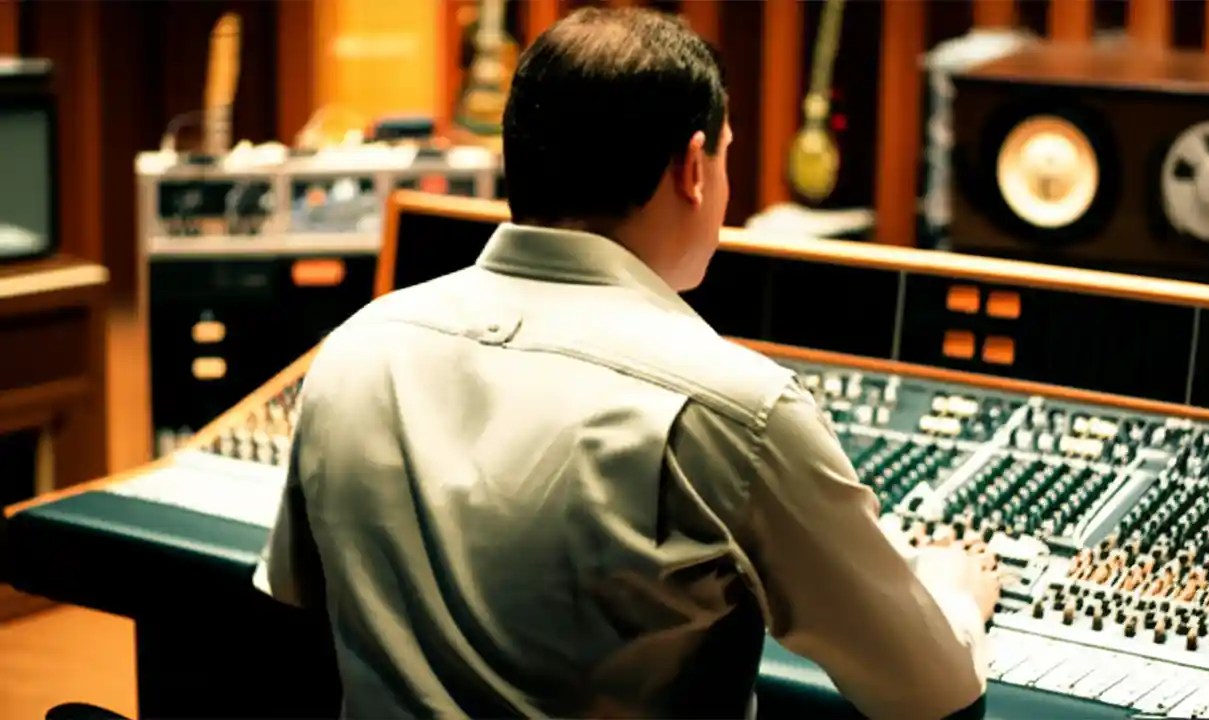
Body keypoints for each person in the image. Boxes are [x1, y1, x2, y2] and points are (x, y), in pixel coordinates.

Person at [253, 7, 1000, 719]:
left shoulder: (358, 345)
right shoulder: (736, 408)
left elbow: (293, 605)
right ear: (695, 168)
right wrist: (952, 593)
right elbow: (929, 695)